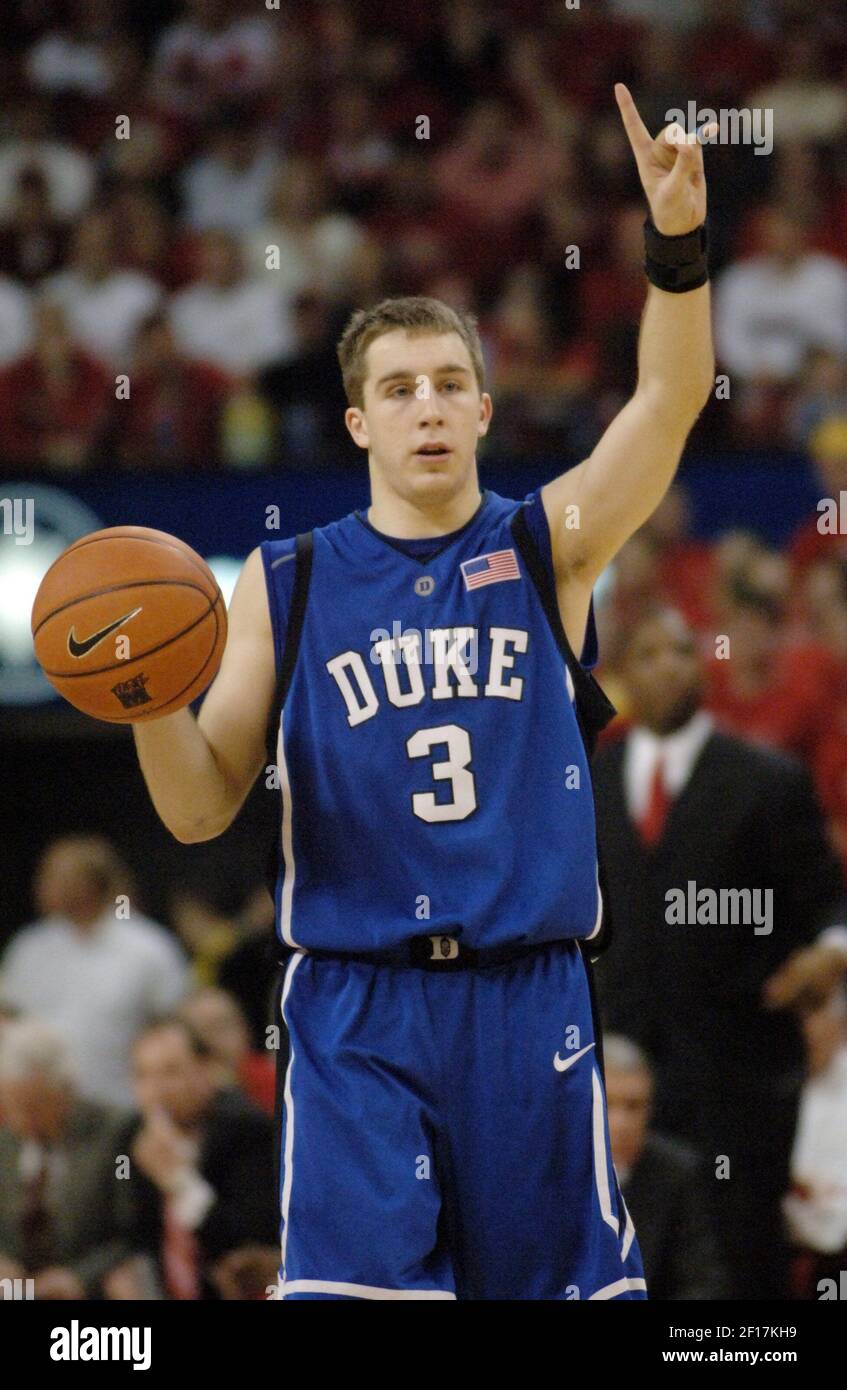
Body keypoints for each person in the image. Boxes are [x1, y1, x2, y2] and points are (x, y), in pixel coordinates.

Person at [131, 85, 716, 1300]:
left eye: (450, 382)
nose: (429, 405)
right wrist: (144, 701)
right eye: (398, 388)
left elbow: (663, 409)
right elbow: (196, 810)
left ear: (487, 409)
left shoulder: (546, 544)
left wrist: (673, 248)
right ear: (357, 421)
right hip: (355, 1004)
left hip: (528, 992)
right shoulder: (283, 580)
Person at [591, 606, 847, 1298]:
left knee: (737, 1268)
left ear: (702, 665)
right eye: (644, 654)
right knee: (632, 1265)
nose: (663, 666)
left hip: (739, 1080)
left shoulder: (766, 782)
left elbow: (827, 900)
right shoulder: (585, 784)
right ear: (623, 676)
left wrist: (828, 953)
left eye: (677, 651)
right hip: (623, 1084)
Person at [0, 837, 190, 1108]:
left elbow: (175, 1028)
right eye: (44, 874)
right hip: (45, 1111)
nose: (45, 884)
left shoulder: (148, 947)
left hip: (122, 1109)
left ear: (93, 881)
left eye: (59, 875)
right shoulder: (28, 948)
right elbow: (7, 1020)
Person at [0, 1019, 134, 1300]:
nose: (22, 1122)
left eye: (34, 1108)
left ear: (66, 1090)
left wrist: (80, 1277)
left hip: (87, 1290)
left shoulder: (118, 1139)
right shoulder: (6, 1142)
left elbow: (133, 1230)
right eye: (12, 1108)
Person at [604, 1034, 731, 1300]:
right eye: (609, 1104)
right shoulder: (551, 1169)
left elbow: (703, 1280)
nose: (620, 1123)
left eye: (634, 1106)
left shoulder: (676, 1173)